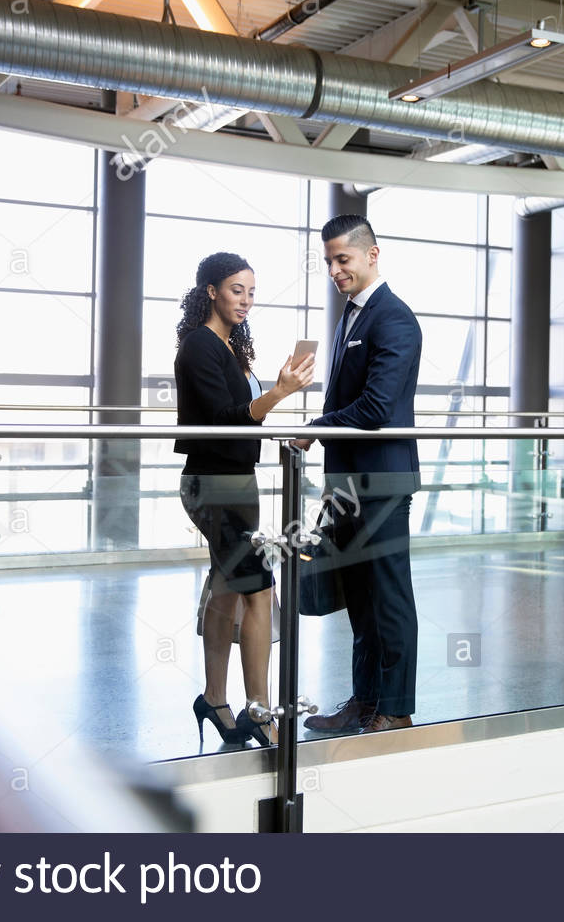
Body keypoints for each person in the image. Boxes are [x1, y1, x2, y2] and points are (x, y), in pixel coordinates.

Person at [176, 252, 315, 748]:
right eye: (237, 290)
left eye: (252, 292)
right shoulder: (199, 346)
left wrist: (273, 404)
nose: (246, 300)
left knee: (228, 587)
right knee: (258, 588)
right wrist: (278, 393)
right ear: (211, 290)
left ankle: (215, 699)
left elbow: (240, 416)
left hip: (236, 483)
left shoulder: (229, 347)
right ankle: (260, 712)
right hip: (213, 486)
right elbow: (224, 419)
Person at [296, 215, 422, 734]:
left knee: (388, 596)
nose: (334, 269)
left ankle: (395, 708)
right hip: (348, 483)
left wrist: (316, 426)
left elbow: (375, 408)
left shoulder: (394, 319)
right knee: (361, 600)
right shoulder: (352, 315)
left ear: (373, 254)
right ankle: (364, 701)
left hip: (382, 481)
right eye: (328, 260)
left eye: (342, 259)